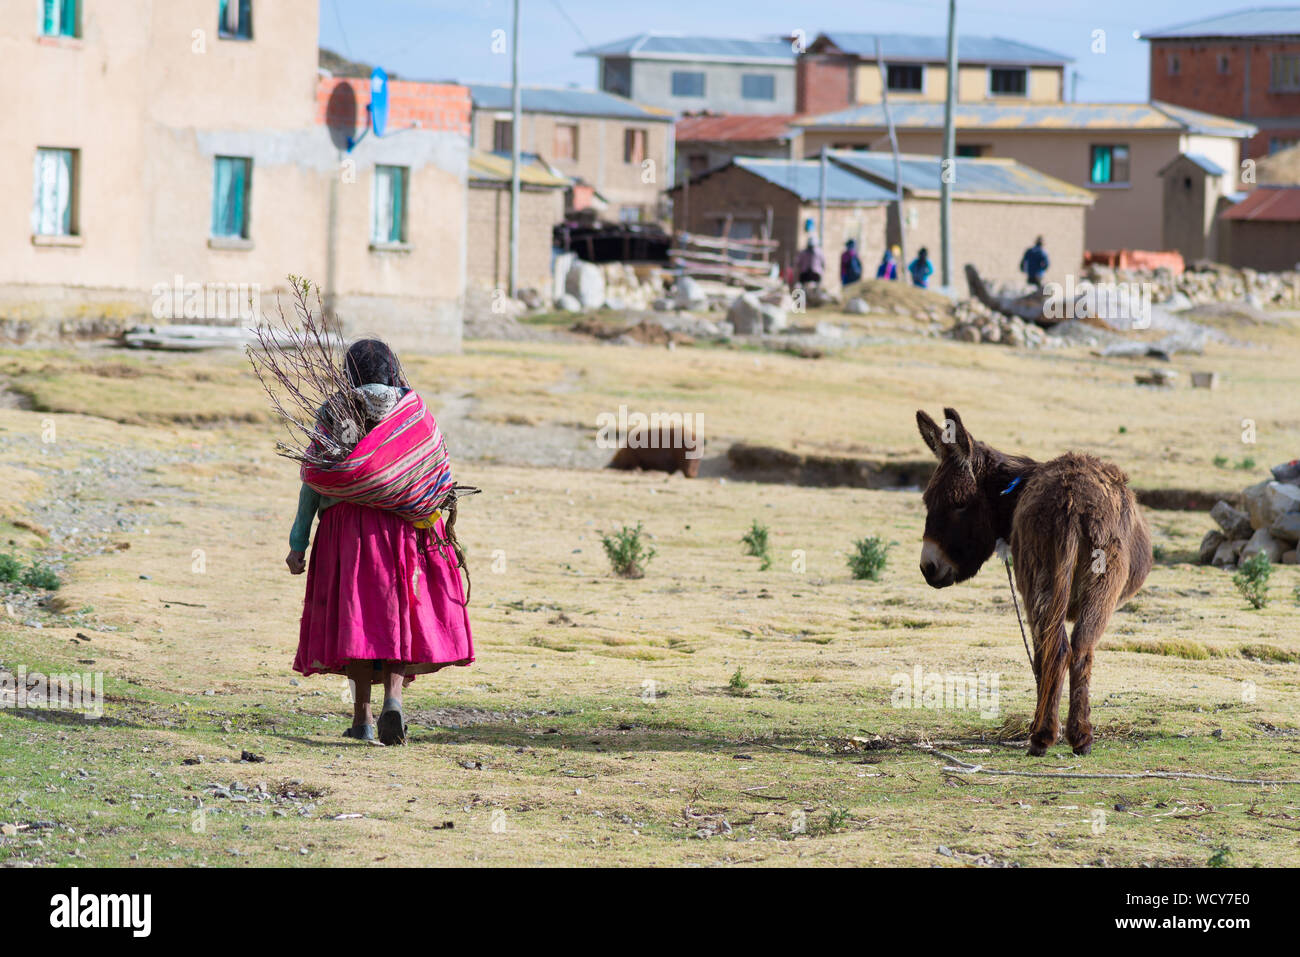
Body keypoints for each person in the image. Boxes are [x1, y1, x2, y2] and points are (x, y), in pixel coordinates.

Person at [286, 339, 473, 746]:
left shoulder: (337, 411)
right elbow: (437, 474)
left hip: (345, 529)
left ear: (349, 373)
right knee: (396, 615)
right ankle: (394, 701)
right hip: (402, 527)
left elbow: (314, 479)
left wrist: (298, 542)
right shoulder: (413, 412)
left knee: (355, 619)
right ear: (392, 370)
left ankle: (363, 719)